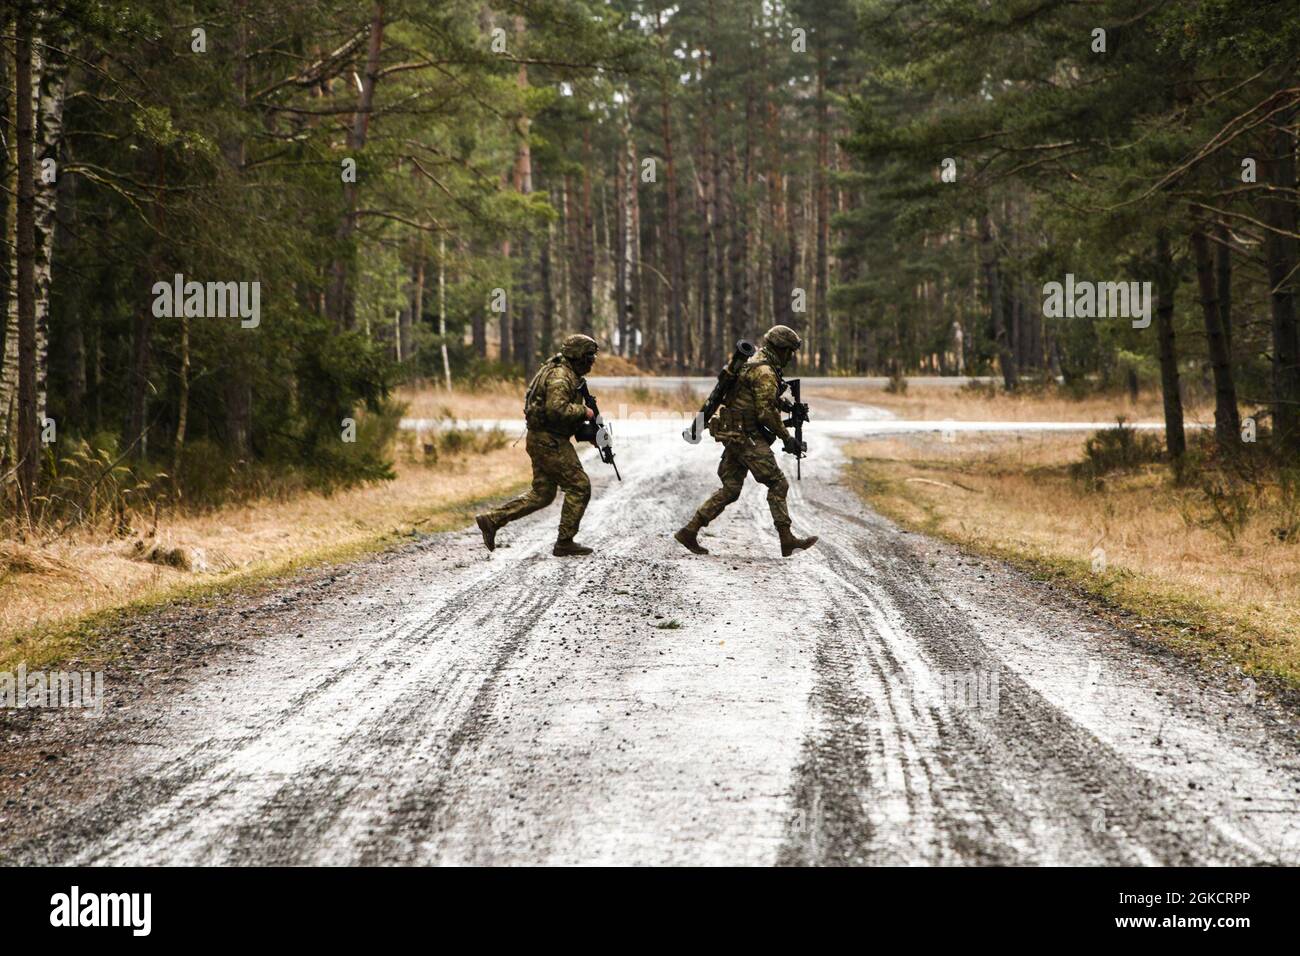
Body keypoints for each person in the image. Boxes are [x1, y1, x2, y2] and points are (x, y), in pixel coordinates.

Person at [674, 324, 818, 558]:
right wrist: (787, 438)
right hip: (747, 436)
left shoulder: (755, 362)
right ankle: (787, 539)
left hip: (735, 433)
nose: (791, 357)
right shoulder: (765, 372)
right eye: (790, 351)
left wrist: (787, 407)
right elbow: (765, 413)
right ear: (780, 349)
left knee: (731, 489)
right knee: (778, 483)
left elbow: (758, 398)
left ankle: (689, 531)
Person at [475, 334, 599, 557]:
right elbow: (556, 409)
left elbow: (558, 414)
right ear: (578, 355)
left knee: (542, 494)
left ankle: (492, 520)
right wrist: (585, 412)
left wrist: (586, 432)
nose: (592, 361)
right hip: (548, 441)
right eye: (589, 356)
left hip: (543, 439)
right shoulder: (561, 377)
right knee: (579, 486)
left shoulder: (564, 372)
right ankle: (564, 542)